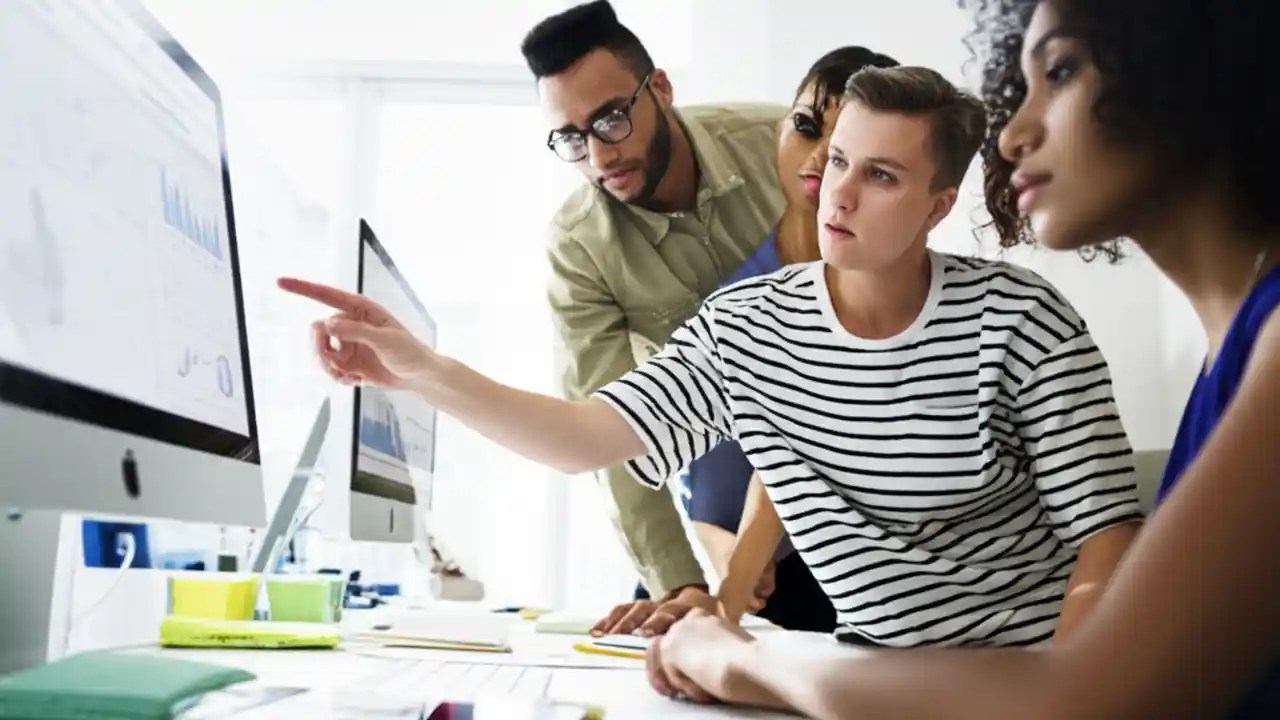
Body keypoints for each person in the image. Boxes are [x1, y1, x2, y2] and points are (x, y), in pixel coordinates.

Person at [282, 61, 1140, 651]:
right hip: (872, 670)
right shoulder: (747, 326)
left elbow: (1108, 533)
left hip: (1030, 672)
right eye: (837, 160)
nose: (836, 192)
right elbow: (590, 435)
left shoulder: (1021, 319)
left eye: (879, 176)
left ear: (936, 206)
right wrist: (423, 372)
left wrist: (1067, 687)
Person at [638, 0, 1280, 716]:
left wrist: (746, 662)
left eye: (1061, 72)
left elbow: (1083, 694)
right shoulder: (1238, 353)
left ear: (1189, 75)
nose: (1010, 135)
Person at [594, 45, 899, 639]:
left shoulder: (914, 313)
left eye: (859, 151)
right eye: (807, 127)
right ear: (776, 129)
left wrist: (741, 565)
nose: (822, 159)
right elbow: (635, 442)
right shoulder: (733, 300)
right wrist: (707, 560)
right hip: (706, 570)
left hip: (825, 589)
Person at [523, 0, 785, 631]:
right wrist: (681, 583)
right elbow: (606, 429)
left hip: (844, 493)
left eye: (611, 119)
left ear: (660, 88)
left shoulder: (781, 144)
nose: (598, 156)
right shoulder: (578, 247)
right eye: (571, 137)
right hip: (713, 513)